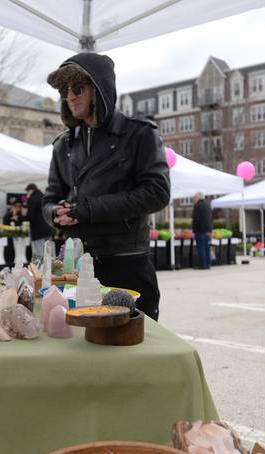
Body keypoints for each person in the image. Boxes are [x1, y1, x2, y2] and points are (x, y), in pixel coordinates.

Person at [42, 53, 170, 320]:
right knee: (82, 349)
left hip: (126, 262)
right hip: (77, 265)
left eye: (78, 88)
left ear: (99, 89)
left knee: (132, 351)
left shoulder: (139, 134)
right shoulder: (63, 145)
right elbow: (50, 197)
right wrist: (56, 212)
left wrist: (88, 210)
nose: (70, 96)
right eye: (65, 90)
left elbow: (157, 193)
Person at [23, 183, 53, 260]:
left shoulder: (32, 199)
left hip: (37, 231)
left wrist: (21, 218)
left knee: (39, 255)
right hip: (48, 228)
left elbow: (30, 217)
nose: (27, 194)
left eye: (27, 192)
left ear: (31, 190)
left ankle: (39, 271)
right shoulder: (45, 197)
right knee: (49, 253)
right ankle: (52, 270)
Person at [191, 192, 213, 269]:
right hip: (208, 231)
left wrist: (193, 230)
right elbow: (210, 219)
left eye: (194, 198)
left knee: (201, 249)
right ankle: (208, 264)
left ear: (198, 198)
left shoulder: (197, 206)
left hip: (200, 231)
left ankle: (203, 265)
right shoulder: (208, 205)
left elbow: (196, 220)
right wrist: (210, 230)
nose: (193, 200)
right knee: (207, 249)